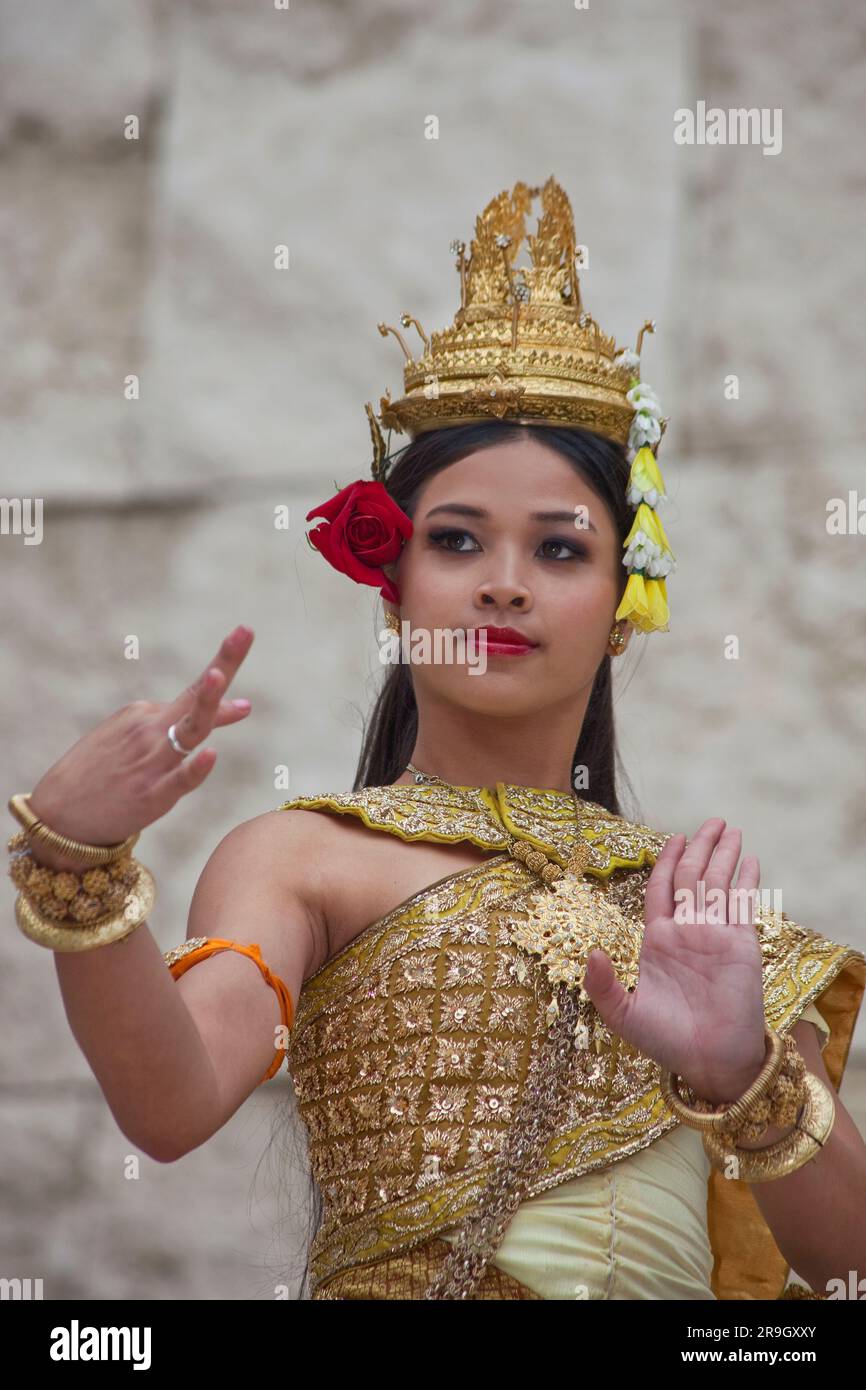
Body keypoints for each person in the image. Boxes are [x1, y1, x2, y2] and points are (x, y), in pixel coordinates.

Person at [9, 178, 865, 1302]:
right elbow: (168, 1106)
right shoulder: (305, 857)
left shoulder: (692, 909)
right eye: (458, 541)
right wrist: (77, 865)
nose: (504, 587)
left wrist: (736, 1067)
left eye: (558, 551)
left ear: (620, 601)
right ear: (393, 585)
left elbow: (845, 1272)